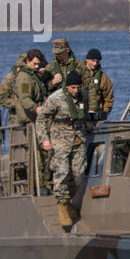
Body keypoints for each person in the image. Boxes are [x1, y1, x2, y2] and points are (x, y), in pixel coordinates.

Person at [37, 71, 89, 230]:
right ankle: (62, 204)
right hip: (60, 138)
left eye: (77, 87)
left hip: (78, 138)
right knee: (62, 171)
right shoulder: (56, 98)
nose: (75, 90)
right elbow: (42, 118)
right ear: (67, 86)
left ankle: (70, 201)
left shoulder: (82, 96)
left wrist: (87, 124)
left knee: (79, 173)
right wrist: (44, 139)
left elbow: (82, 113)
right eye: (73, 87)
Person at [11, 49, 52, 192]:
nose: (36, 66)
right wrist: (36, 108)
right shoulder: (24, 78)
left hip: (38, 119)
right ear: (28, 62)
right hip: (30, 119)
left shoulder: (33, 76)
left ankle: (45, 183)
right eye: (34, 64)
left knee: (45, 153)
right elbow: (25, 98)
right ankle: (39, 186)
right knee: (37, 156)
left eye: (38, 64)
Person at [81, 48, 114, 120]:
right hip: (80, 114)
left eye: (97, 61)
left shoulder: (103, 78)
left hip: (96, 115)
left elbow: (108, 98)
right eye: (92, 61)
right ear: (87, 59)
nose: (95, 64)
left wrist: (105, 113)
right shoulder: (78, 74)